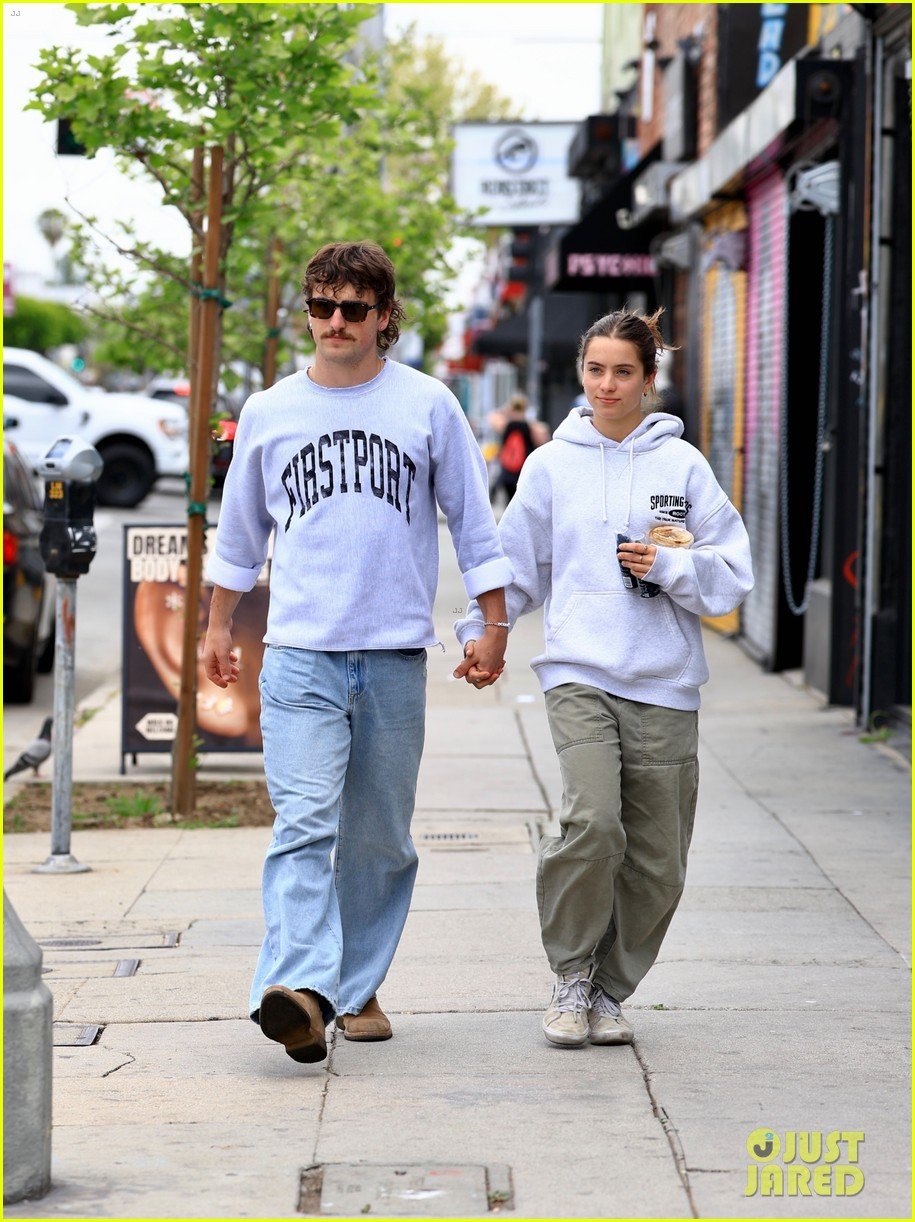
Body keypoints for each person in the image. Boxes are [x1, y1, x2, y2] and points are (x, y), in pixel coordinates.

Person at [203, 241, 511, 1064]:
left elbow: (472, 526)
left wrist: (493, 625)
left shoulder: (427, 405)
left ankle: (352, 983)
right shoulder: (269, 411)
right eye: (320, 307)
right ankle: (302, 991)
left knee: (377, 837)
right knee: (303, 824)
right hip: (300, 652)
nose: (334, 323)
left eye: (351, 309)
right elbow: (239, 535)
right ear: (306, 311)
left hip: (391, 656)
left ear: (384, 317)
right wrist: (214, 627)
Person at [455, 308, 753, 1048]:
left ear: (648, 379)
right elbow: (514, 565)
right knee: (592, 822)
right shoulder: (552, 463)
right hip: (578, 671)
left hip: (663, 682)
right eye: (595, 370)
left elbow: (733, 574)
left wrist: (673, 566)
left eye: (623, 371)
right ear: (580, 374)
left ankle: (610, 990)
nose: (607, 385)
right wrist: (482, 634)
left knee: (657, 859)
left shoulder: (682, 466)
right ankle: (568, 976)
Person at [492, 393, 536, 504]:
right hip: (522, 467)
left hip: (508, 468)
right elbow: (533, 444)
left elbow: (504, 445)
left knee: (509, 500)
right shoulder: (527, 426)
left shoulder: (508, 425)